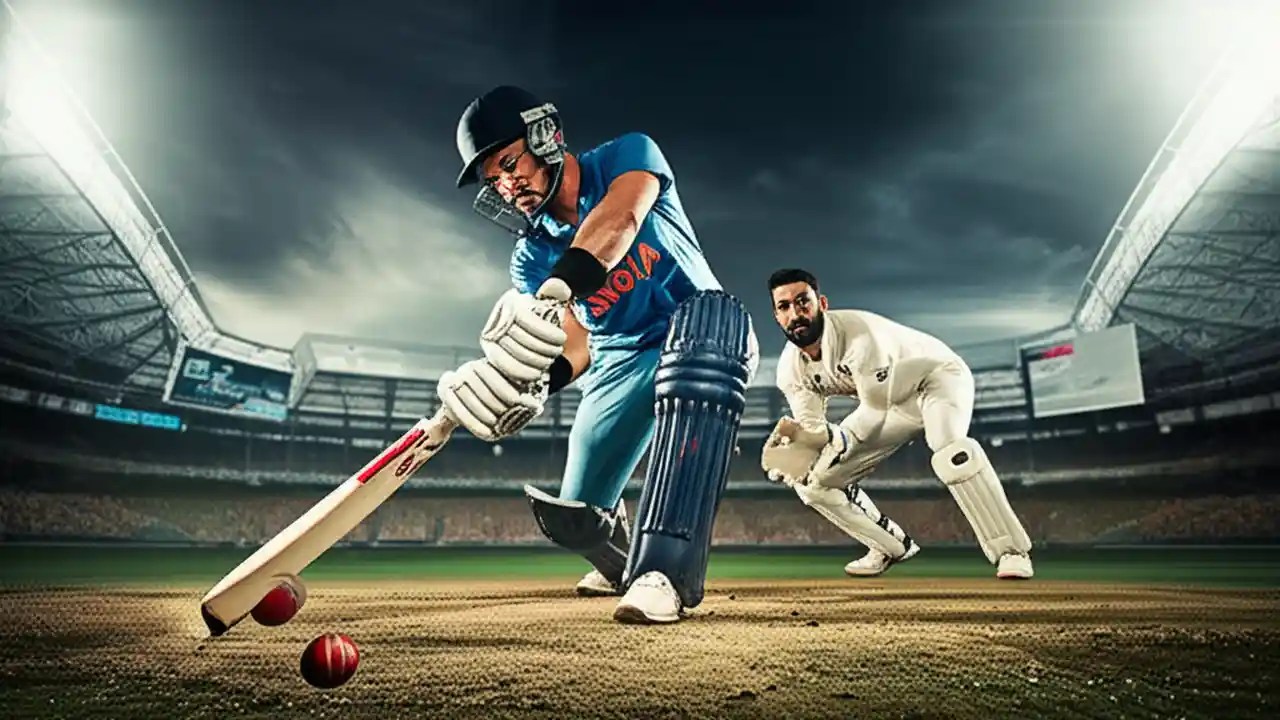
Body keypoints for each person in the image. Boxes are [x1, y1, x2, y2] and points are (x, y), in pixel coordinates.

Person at [435, 85, 758, 624]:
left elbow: (620, 220)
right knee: (576, 517)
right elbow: (580, 340)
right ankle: (625, 562)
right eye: (493, 178)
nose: (506, 184)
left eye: (509, 163)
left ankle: (665, 575)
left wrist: (560, 286)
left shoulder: (628, 155)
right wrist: (535, 381)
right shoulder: (531, 257)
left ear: (546, 136)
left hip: (703, 327)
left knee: (692, 373)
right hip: (620, 360)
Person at [759, 268, 1034, 579]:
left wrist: (836, 439)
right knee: (813, 484)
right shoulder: (790, 370)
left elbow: (875, 410)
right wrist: (802, 450)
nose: (796, 314)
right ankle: (890, 546)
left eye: (802, 302)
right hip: (888, 406)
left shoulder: (860, 337)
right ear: (776, 316)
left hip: (935, 382)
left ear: (821, 302)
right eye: (784, 307)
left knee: (951, 454)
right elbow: (813, 427)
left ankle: (1011, 552)